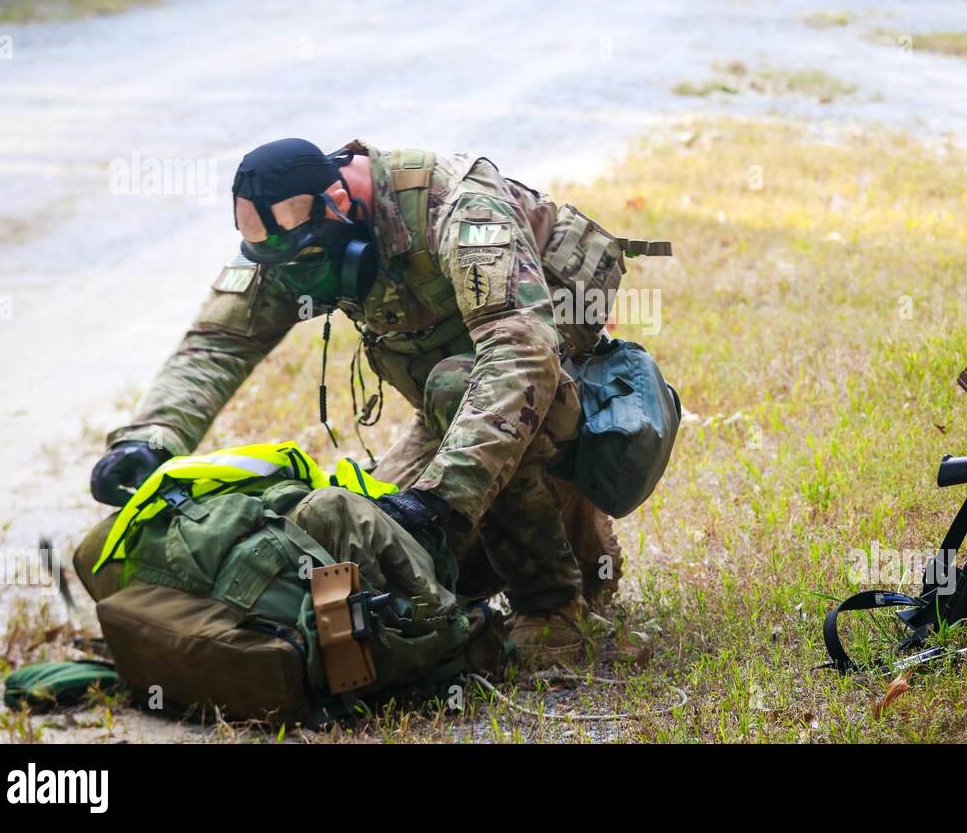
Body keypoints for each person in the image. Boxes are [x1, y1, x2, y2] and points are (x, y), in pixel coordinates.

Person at [88, 138, 623, 662]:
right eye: (278, 264)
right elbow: (220, 340)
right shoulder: (289, 237)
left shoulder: (460, 208)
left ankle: (552, 606)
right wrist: (150, 438)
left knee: (445, 480)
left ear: (341, 205)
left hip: (540, 381)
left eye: (306, 260)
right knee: (376, 545)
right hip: (447, 400)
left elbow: (522, 351)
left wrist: (442, 499)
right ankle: (568, 547)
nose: (295, 277)